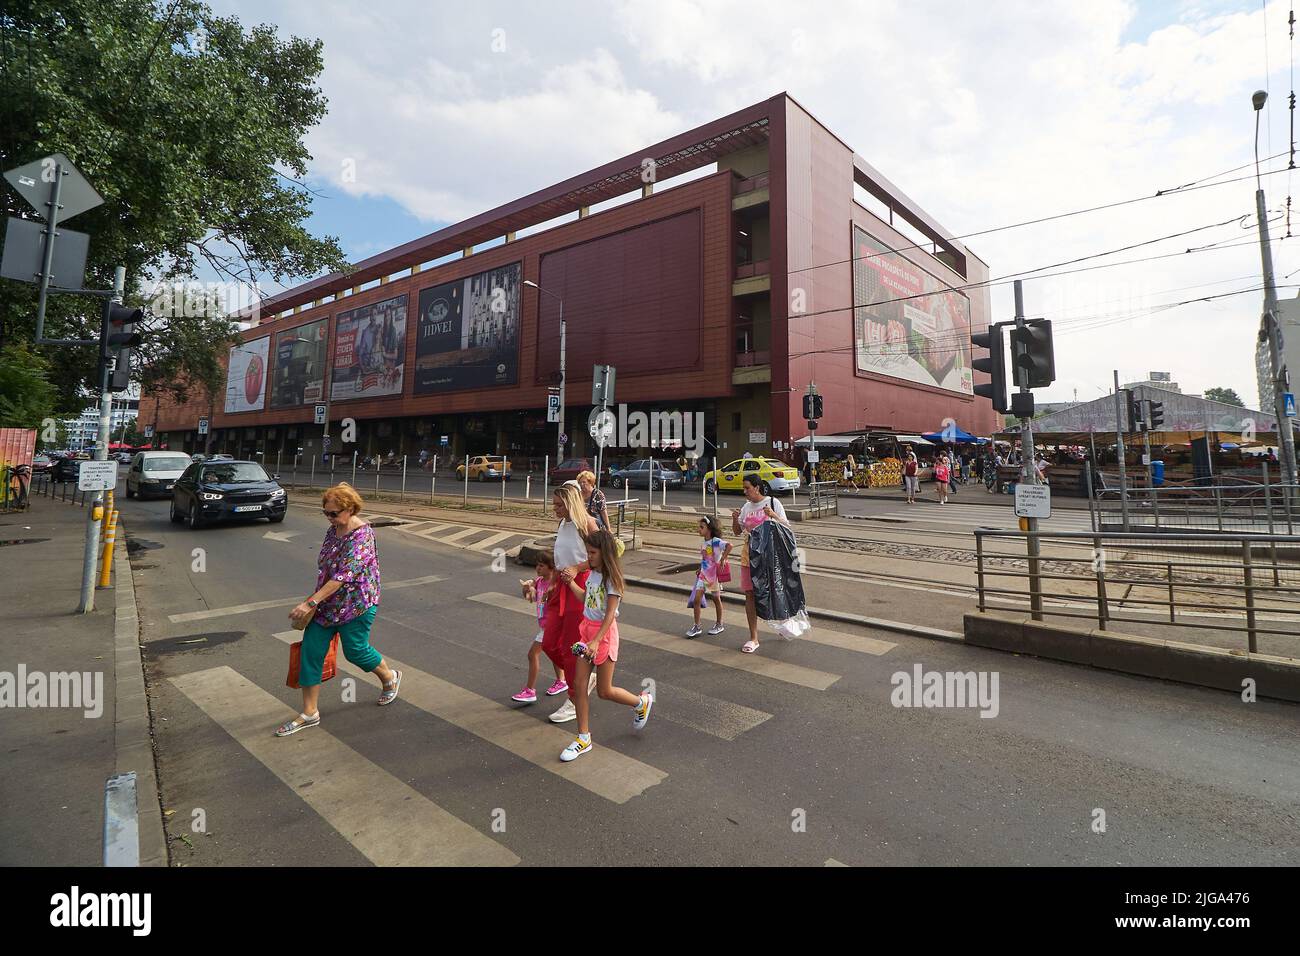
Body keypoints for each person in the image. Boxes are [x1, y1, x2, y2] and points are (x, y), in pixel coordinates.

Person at [277, 483, 400, 736]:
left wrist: (310, 602)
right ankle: (310, 712)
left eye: (334, 513)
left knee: (355, 652)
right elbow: (326, 567)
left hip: (357, 604)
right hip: (327, 604)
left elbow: (344, 576)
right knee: (310, 653)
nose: (330, 518)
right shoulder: (333, 531)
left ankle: (389, 678)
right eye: (326, 513)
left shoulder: (363, 535)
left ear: (351, 509)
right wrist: (317, 600)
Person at [559, 529, 653, 762]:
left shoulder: (612, 580)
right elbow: (586, 600)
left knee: (604, 691)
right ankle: (583, 738)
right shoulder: (592, 575)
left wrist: (597, 640)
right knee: (579, 685)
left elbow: (610, 614)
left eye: (591, 552)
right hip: (587, 631)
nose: (587, 557)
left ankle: (641, 702)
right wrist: (571, 582)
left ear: (604, 553)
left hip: (604, 635)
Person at [541, 484, 600, 724]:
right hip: (561, 586)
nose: (554, 508)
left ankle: (575, 699)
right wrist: (552, 585)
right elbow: (560, 559)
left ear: (570, 502)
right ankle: (583, 680)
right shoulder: (563, 523)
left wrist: (578, 568)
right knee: (548, 644)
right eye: (554, 503)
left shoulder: (587, 523)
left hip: (580, 585)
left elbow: (603, 554)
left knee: (569, 647)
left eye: (558, 504)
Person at [731, 474, 790, 654]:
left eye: (747, 488)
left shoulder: (773, 503)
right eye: (744, 488)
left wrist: (773, 516)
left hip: (769, 557)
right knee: (749, 594)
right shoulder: (746, 507)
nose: (745, 491)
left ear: (757, 487)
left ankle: (781, 622)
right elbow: (736, 532)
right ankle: (753, 638)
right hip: (749, 556)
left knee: (773, 591)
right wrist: (735, 519)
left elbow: (786, 527)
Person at [512, 551, 568, 704]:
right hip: (546, 625)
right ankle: (561, 681)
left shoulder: (556, 585)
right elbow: (531, 598)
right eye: (537, 565)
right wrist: (526, 589)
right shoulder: (539, 581)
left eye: (541, 566)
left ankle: (530, 690)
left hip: (552, 626)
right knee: (553, 653)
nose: (538, 568)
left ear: (551, 568)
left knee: (532, 654)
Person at [686, 516, 731, 638]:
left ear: (709, 528)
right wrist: (700, 568)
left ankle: (719, 624)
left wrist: (723, 558)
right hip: (703, 575)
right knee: (697, 599)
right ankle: (697, 625)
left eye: (701, 527)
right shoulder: (704, 543)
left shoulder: (716, 541)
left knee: (716, 599)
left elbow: (729, 546)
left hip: (714, 576)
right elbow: (705, 559)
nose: (698, 529)